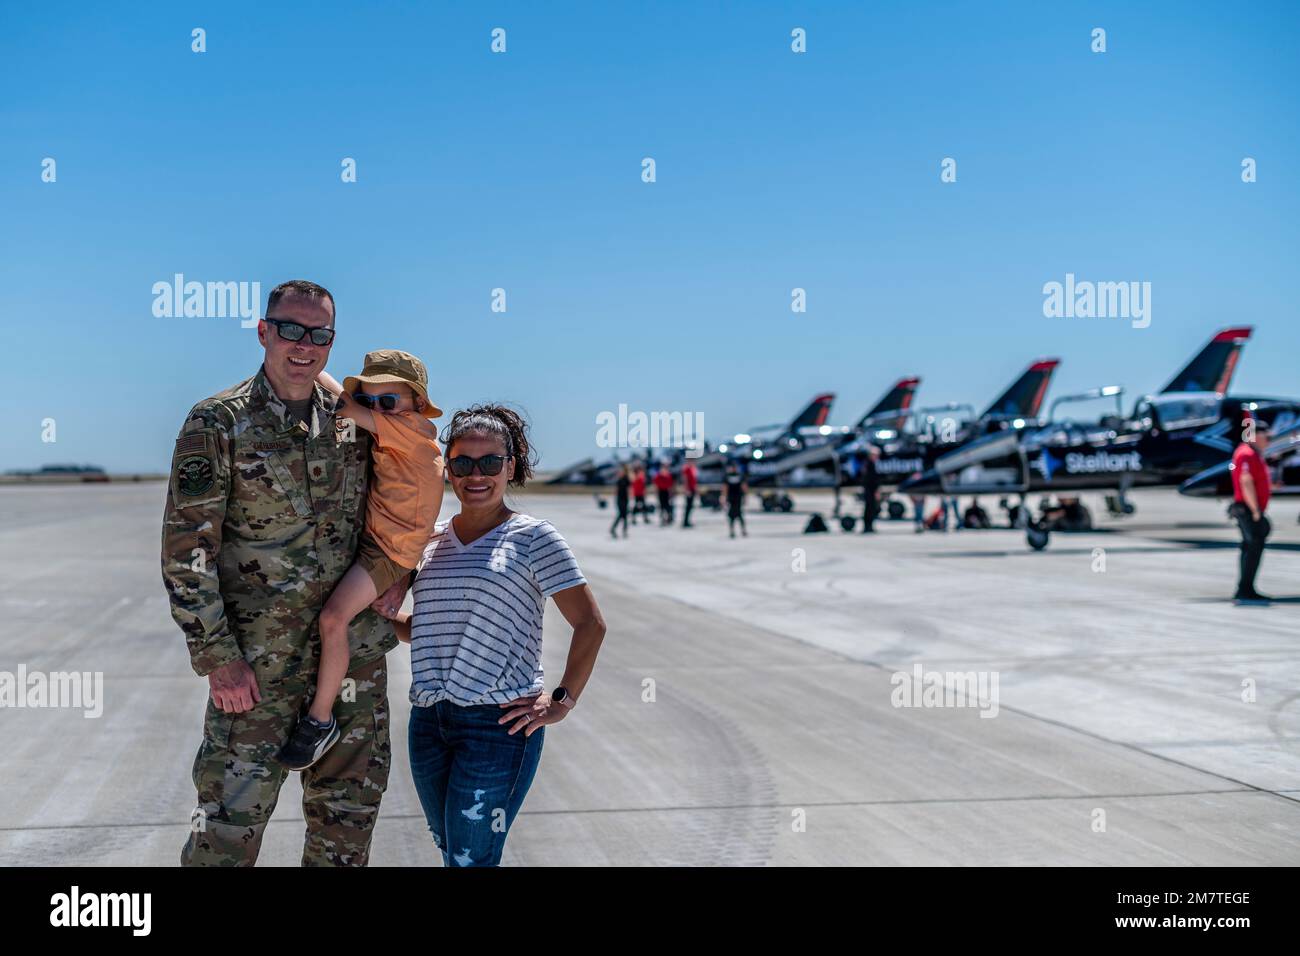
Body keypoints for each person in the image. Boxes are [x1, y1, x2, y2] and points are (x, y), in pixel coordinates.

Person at [162, 280, 406, 866]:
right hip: (256, 670)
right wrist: (218, 658)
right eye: (291, 329)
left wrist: (401, 572)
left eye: (319, 334)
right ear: (264, 331)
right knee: (225, 833)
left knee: (345, 834)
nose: (304, 345)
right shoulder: (217, 423)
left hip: (353, 667)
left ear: (331, 341)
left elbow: (403, 502)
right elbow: (186, 553)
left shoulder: (358, 420)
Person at [381, 405, 607, 867]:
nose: (475, 475)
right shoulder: (430, 541)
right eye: (462, 463)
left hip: (498, 726)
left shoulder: (534, 538)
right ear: (448, 468)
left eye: (490, 463)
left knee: (471, 858)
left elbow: (590, 624)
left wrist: (562, 701)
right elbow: (422, 629)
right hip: (428, 721)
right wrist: (369, 617)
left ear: (511, 466)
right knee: (453, 850)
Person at [276, 352, 444, 770]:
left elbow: (341, 404)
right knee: (364, 616)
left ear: (417, 404)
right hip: (381, 540)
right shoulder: (398, 427)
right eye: (372, 402)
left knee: (333, 619)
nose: (377, 411)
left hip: (387, 552)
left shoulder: (414, 436)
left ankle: (320, 719)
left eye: (389, 402)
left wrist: (305, 361)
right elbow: (346, 401)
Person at [1230, 416, 1274, 602]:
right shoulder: (1246, 454)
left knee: (1250, 548)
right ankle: (1245, 589)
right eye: (1266, 437)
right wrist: (1255, 511)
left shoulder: (1253, 454)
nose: (1268, 441)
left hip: (1248, 509)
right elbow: (1246, 481)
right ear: (1255, 436)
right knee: (1252, 548)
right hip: (1248, 510)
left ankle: (1246, 587)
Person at [724, 462, 748, 538]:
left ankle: (743, 530)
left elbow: (744, 486)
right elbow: (725, 487)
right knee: (731, 515)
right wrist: (723, 497)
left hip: (738, 497)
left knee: (739, 514)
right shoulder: (727, 476)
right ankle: (732, 531)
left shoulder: (740, 476)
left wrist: (745, 496)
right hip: (731, 498)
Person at [860, 447, 880, 533]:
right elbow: (872, 480)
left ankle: (869, 526)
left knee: (870, 509)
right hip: (870, 490)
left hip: (869, 490)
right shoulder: (869, 465)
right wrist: (876, 491)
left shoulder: (869, 464)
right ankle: (868, 526)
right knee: (869, 509)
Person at [610, 464, 631, 539]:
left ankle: (622, 530)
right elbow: (616, 490)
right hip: (619, 499)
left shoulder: (627, 479)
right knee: (621, 514)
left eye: (621, 471)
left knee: (624, 515)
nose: (620, 473)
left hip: (625, 499)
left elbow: (629, 490)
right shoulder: (619, 480)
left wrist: (630, 498)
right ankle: (614, 529)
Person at [680, 458, 698, 528]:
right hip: (689, 490)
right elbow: (685, 480)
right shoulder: (687, 469)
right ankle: (685, 521)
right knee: (688, 506)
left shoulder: (692, 468)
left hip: (692, 489)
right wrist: (687, 490)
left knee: (690, 506)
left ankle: (687, 521)